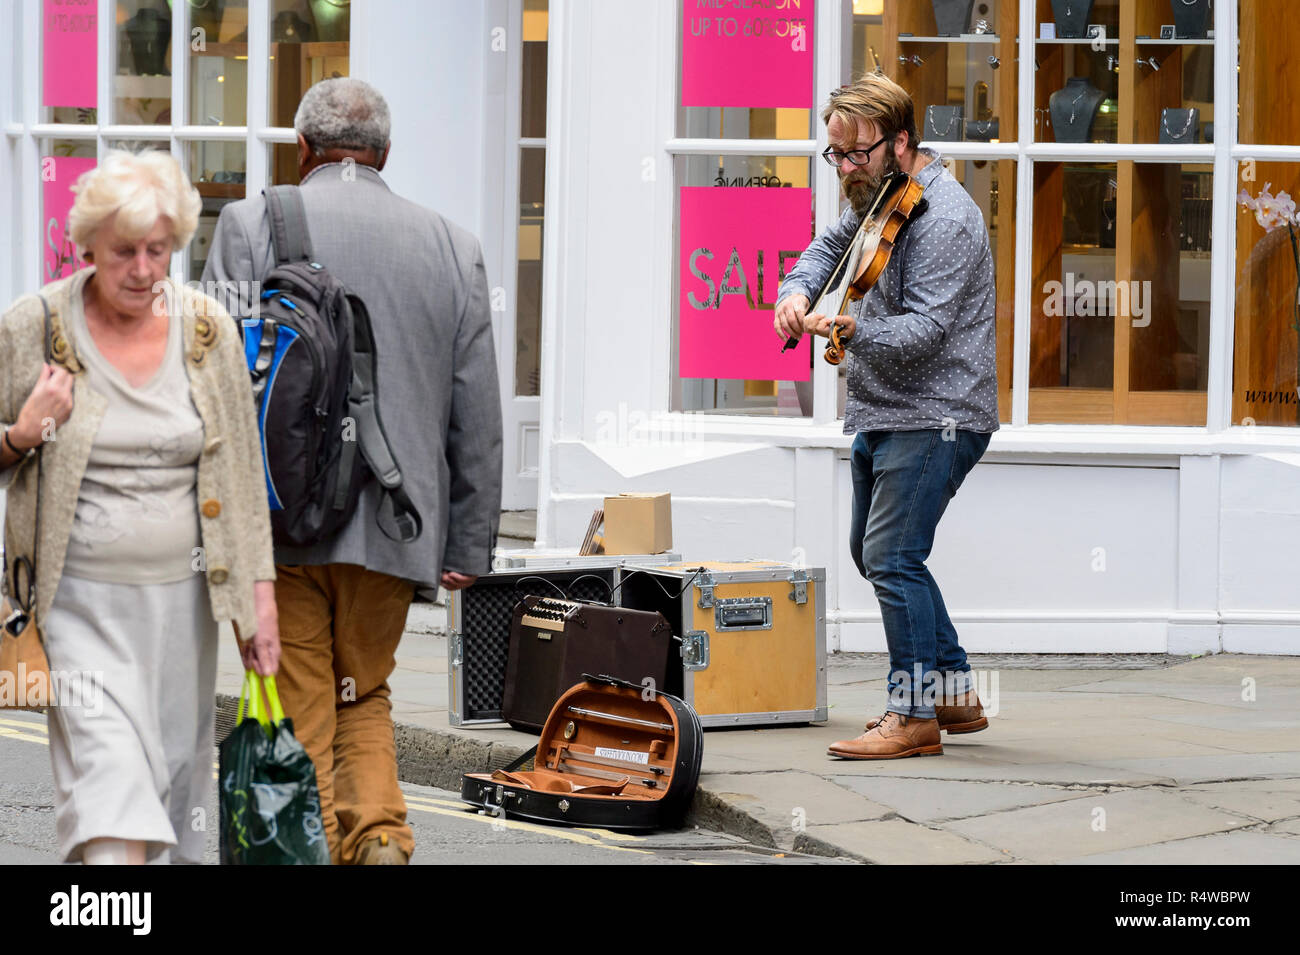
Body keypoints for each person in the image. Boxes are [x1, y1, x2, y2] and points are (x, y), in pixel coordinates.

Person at [202, 77, 503, 864]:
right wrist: (469, 542)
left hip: (283, 522)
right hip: (397, 522)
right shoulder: (454, 245)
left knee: (302, 702)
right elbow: (476, 409)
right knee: (359, 690)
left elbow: (210, 380)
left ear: (301, 148)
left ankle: (327, 845)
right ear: (385, 155)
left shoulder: (246, 223)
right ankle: (379, 844)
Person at [0, 149, 279, 864]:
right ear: (87, 244)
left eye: (159, 250)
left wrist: (259, 605)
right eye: (125, 251)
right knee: (111, 790)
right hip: (78, 608)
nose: (144, 269)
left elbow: (243, 474)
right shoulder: (35, 327)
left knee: (175, 801)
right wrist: (22, 433)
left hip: (184, 607)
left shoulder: (205, 331)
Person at [775, 74, 998, 760]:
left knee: (891, 555)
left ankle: (913, 714)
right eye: (834, 155)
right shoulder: (879, 199)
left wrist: (843, 326)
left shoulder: (949, 219)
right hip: (882, 407)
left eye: (856, 154)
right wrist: (796, 289)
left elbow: (925, 333)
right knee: (876, 553)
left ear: (901, 142)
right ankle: (954, 690)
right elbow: (825, 246)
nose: (844, 168)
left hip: (938, 414)